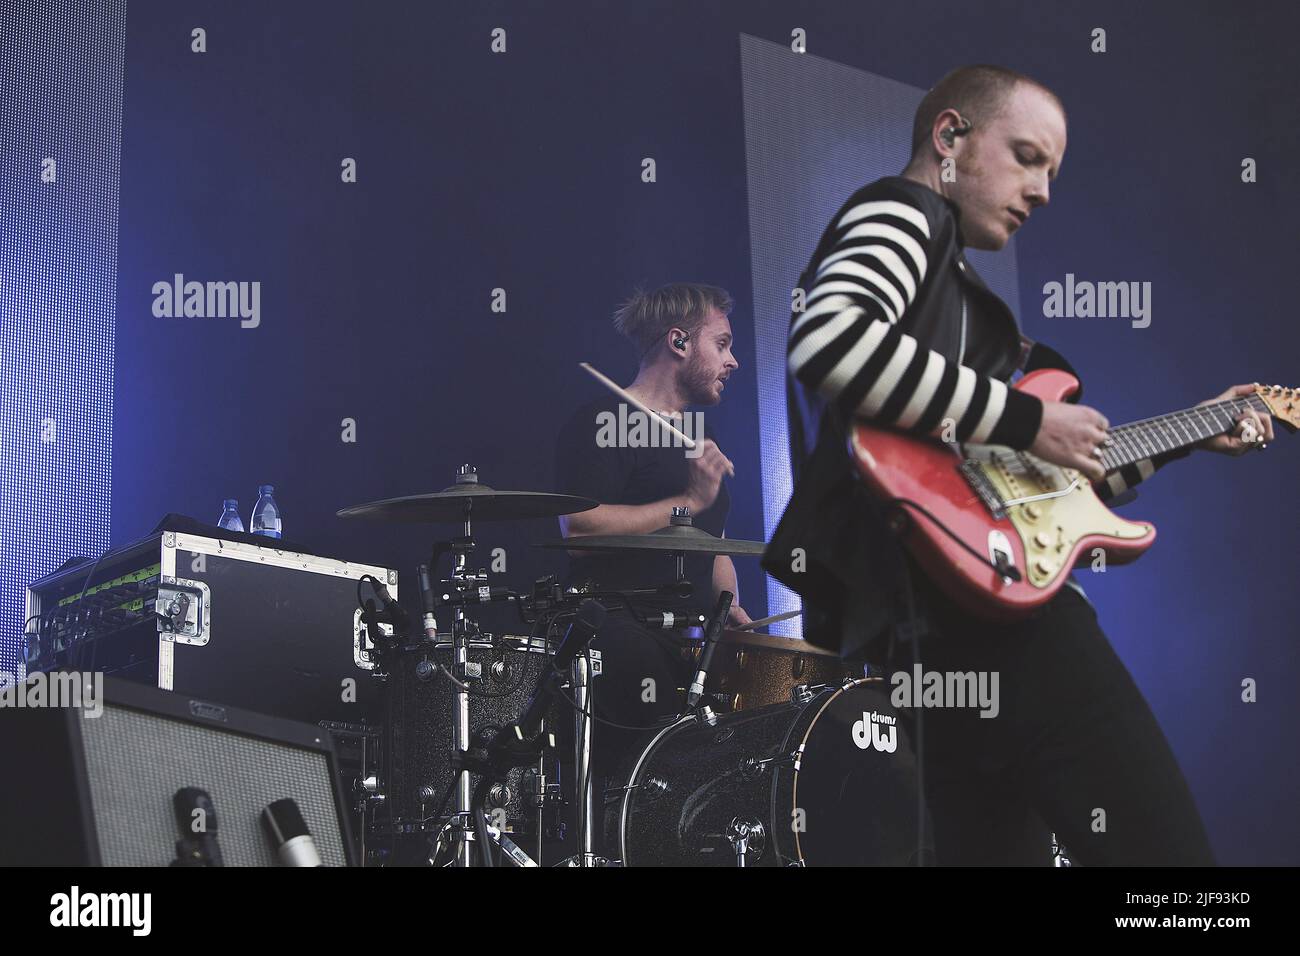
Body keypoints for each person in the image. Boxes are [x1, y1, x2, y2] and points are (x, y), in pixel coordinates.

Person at [763, 64, 1273, 865]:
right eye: (1028, 156)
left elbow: (1053, 495)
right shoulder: (905, 209)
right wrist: (1033, 418)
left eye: (1053, 172)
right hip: (1005, 631)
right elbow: (831, 337)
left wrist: (1196, 431)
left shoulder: (954, 312)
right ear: (951, 136)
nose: (1041, 191)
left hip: (936, 645)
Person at [553, 282, 751, 808]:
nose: (733, 361)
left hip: (691, 642)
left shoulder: (692, 438)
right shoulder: (604, 423)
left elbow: (713, 547)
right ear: (679, 342)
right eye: (723, 344)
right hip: (621, 636)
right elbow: (580, 531)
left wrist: (735, 617)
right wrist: (687, 499)